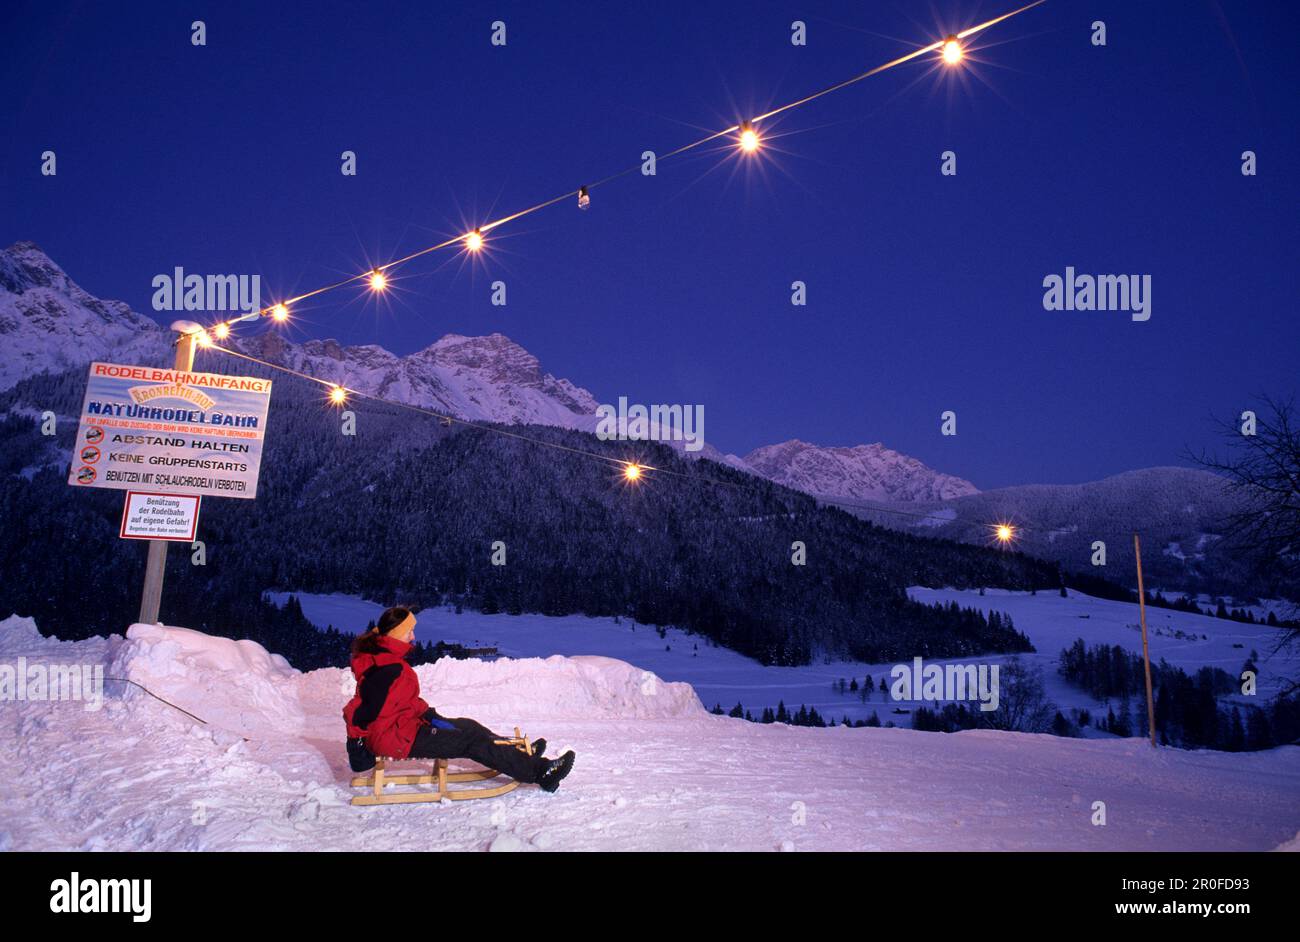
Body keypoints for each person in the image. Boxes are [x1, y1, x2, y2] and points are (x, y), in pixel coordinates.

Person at [343, 606, 576, 792]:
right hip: (395, 737)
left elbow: (401, 700)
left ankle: (516, 754)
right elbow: (360, 710)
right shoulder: (388, 668)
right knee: (469, 741)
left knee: (468, 725)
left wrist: (430, 715)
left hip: (404, 726)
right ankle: (539, 771)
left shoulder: (387, 660)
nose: (413, 635)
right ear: (396, 635)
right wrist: (357, 748)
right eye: (409, 631)